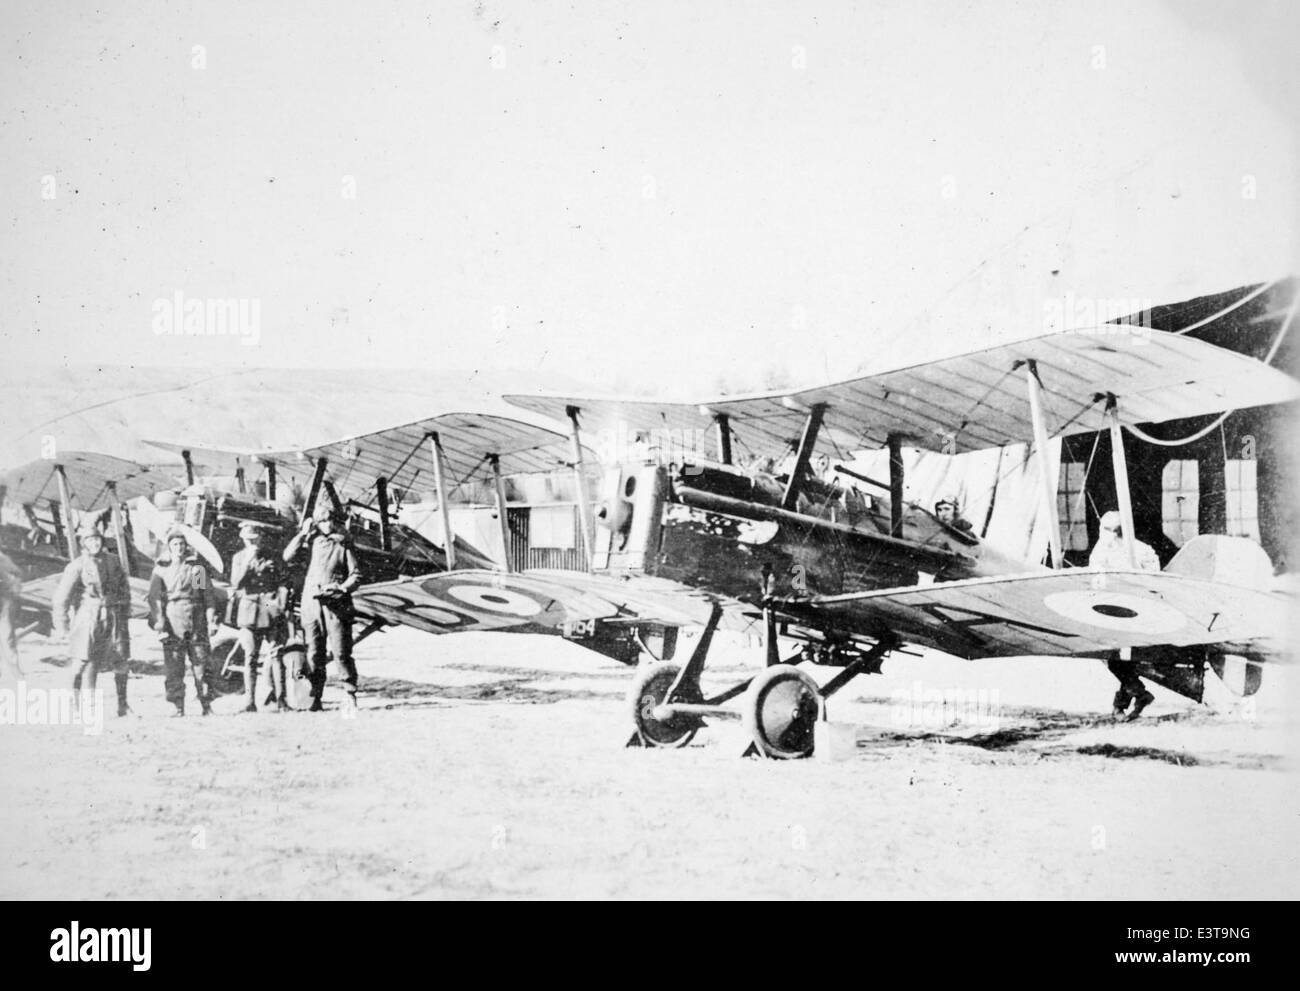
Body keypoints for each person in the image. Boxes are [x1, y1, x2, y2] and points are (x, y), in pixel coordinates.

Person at [283, 504, 360, 712]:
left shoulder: (343, 544)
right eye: (322, 521)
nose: (327, 525)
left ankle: (350, 693)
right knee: (314, 653)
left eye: (330, 520)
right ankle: (316, 697)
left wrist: (342, 588)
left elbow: (356, 575)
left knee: (341, 652)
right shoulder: (311, 544)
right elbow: (287, 556)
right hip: (311, 604)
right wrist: (302, 534)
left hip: (336, 605)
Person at [52, 522, 132, 716]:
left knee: (120, 658)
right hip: (88, 616)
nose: (95, 543)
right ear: (84, 543)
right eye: (90, 540)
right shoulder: (77, 566)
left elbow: (124, 588)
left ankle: (123, 705)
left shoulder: (113, 561)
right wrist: (62, 627)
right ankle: (82, 705)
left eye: (97, 539)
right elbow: (61, 598)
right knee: (84, 661)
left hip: (113, 614)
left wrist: (124, 613)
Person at [1089, 510, 1159, 720]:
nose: (1105, 534)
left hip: (1131, 612)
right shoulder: (1103, 550)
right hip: (1117, 609)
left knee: (1111, 656)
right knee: (1120, 658)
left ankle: (1139, 694)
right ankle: (1125, 703)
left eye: (1109, 530)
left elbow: (1154, 577)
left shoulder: (1138, 550)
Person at [149, 528, 215, 716]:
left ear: (186, 546)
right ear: (169, 547)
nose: (179, 548)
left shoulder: (195, 568)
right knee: (174, 666)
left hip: (195, 618)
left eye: (182, 544)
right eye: (175, 545)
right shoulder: (161, 569)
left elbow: (206, 595)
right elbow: (155, 598)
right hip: (172, 619)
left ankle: (206, 705)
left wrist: (210, 619)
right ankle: (178, 707)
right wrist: (160, 623)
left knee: (201, 663)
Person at [229, 522, 289, 712]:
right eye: (248, 540)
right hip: (249, 611)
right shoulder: (238, 558)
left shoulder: (273, 556)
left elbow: (284, 582)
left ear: (261, 538)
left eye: (255, 539)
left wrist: (281, 604)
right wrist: (247, 562)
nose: (252, 543)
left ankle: (281, 700)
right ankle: (249, 702)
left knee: (276, 655)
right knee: (250, 657)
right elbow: (236, 583)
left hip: (270, 609)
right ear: (243, 539)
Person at [0, 549, 24, 682]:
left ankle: (17, 676)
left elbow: (16, 573)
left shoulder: (1, 558)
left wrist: (13, 590)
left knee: (7, 639)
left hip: (2, 602)